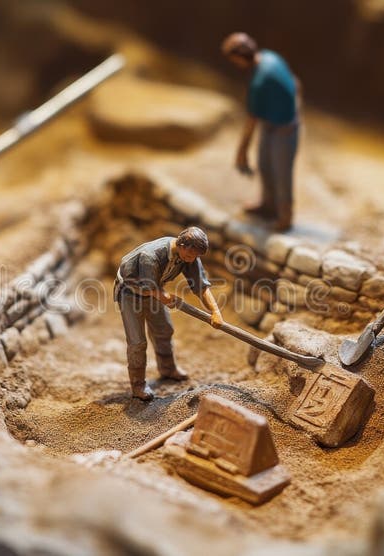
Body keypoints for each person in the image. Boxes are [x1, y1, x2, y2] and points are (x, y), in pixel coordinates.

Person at [114, 227, 224, 401]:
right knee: (137, 342)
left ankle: (167, 369)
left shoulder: (189, 255)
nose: (191, 260)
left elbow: (201, 286)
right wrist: (163, 296)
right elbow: (148, 287)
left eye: (194, 257)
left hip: (154, 288)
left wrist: (215, 311)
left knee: (164, 329)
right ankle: (138, 385)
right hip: (131, 292)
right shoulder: (150, 256)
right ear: (182, 246)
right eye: (189, 256)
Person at [222, 32, 301, 232]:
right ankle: (267, 205)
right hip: (271, 122)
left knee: (281, 172)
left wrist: (241, 152)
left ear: (239, 58)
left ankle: (285, 217)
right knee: (265, 165)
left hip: (285, 128)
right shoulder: (270, 55)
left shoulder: (260, 81)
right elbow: (295, 81)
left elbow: (250, 122)